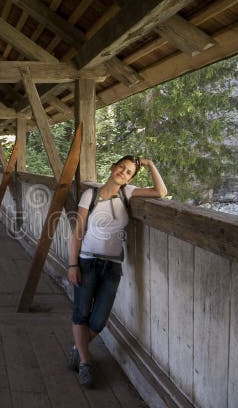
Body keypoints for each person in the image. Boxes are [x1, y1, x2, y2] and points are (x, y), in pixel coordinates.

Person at [67, 155, 167, 388]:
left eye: (129, 171)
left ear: (130, 178)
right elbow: (78, 232)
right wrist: (73, 265)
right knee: (81, 313)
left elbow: (161, 192)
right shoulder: (89, 195)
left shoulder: (128, 193)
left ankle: (76, 347)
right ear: (112, 167)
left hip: (112, 266)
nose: (123, 172)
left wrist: (151, 164)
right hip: (87, 262)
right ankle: (84, 363)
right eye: (121, 167)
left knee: (99, 319)